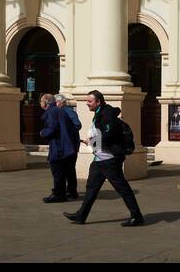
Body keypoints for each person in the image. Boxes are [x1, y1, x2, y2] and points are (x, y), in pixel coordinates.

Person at [63, 91, 144, 227]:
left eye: (90, 101)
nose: (87, 103)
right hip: (99, 159)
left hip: (109, 159)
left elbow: (109, 133)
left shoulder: (106, 114)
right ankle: (81, 215)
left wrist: (93, 141)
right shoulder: (100, 113)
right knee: (92, 188)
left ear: (98, 102)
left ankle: (137, 216)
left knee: (122, 188)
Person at [40, 93, 80, 203]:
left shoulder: (53, 111)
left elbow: (53, 129)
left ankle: (58, 194)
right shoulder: (59, 111)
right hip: (66, 146)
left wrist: (43, 133)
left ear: (46, 102)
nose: (40, 103)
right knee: (66, 171)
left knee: (58, 171)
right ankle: (66, 192)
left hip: (60, 146)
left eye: (41, 101)